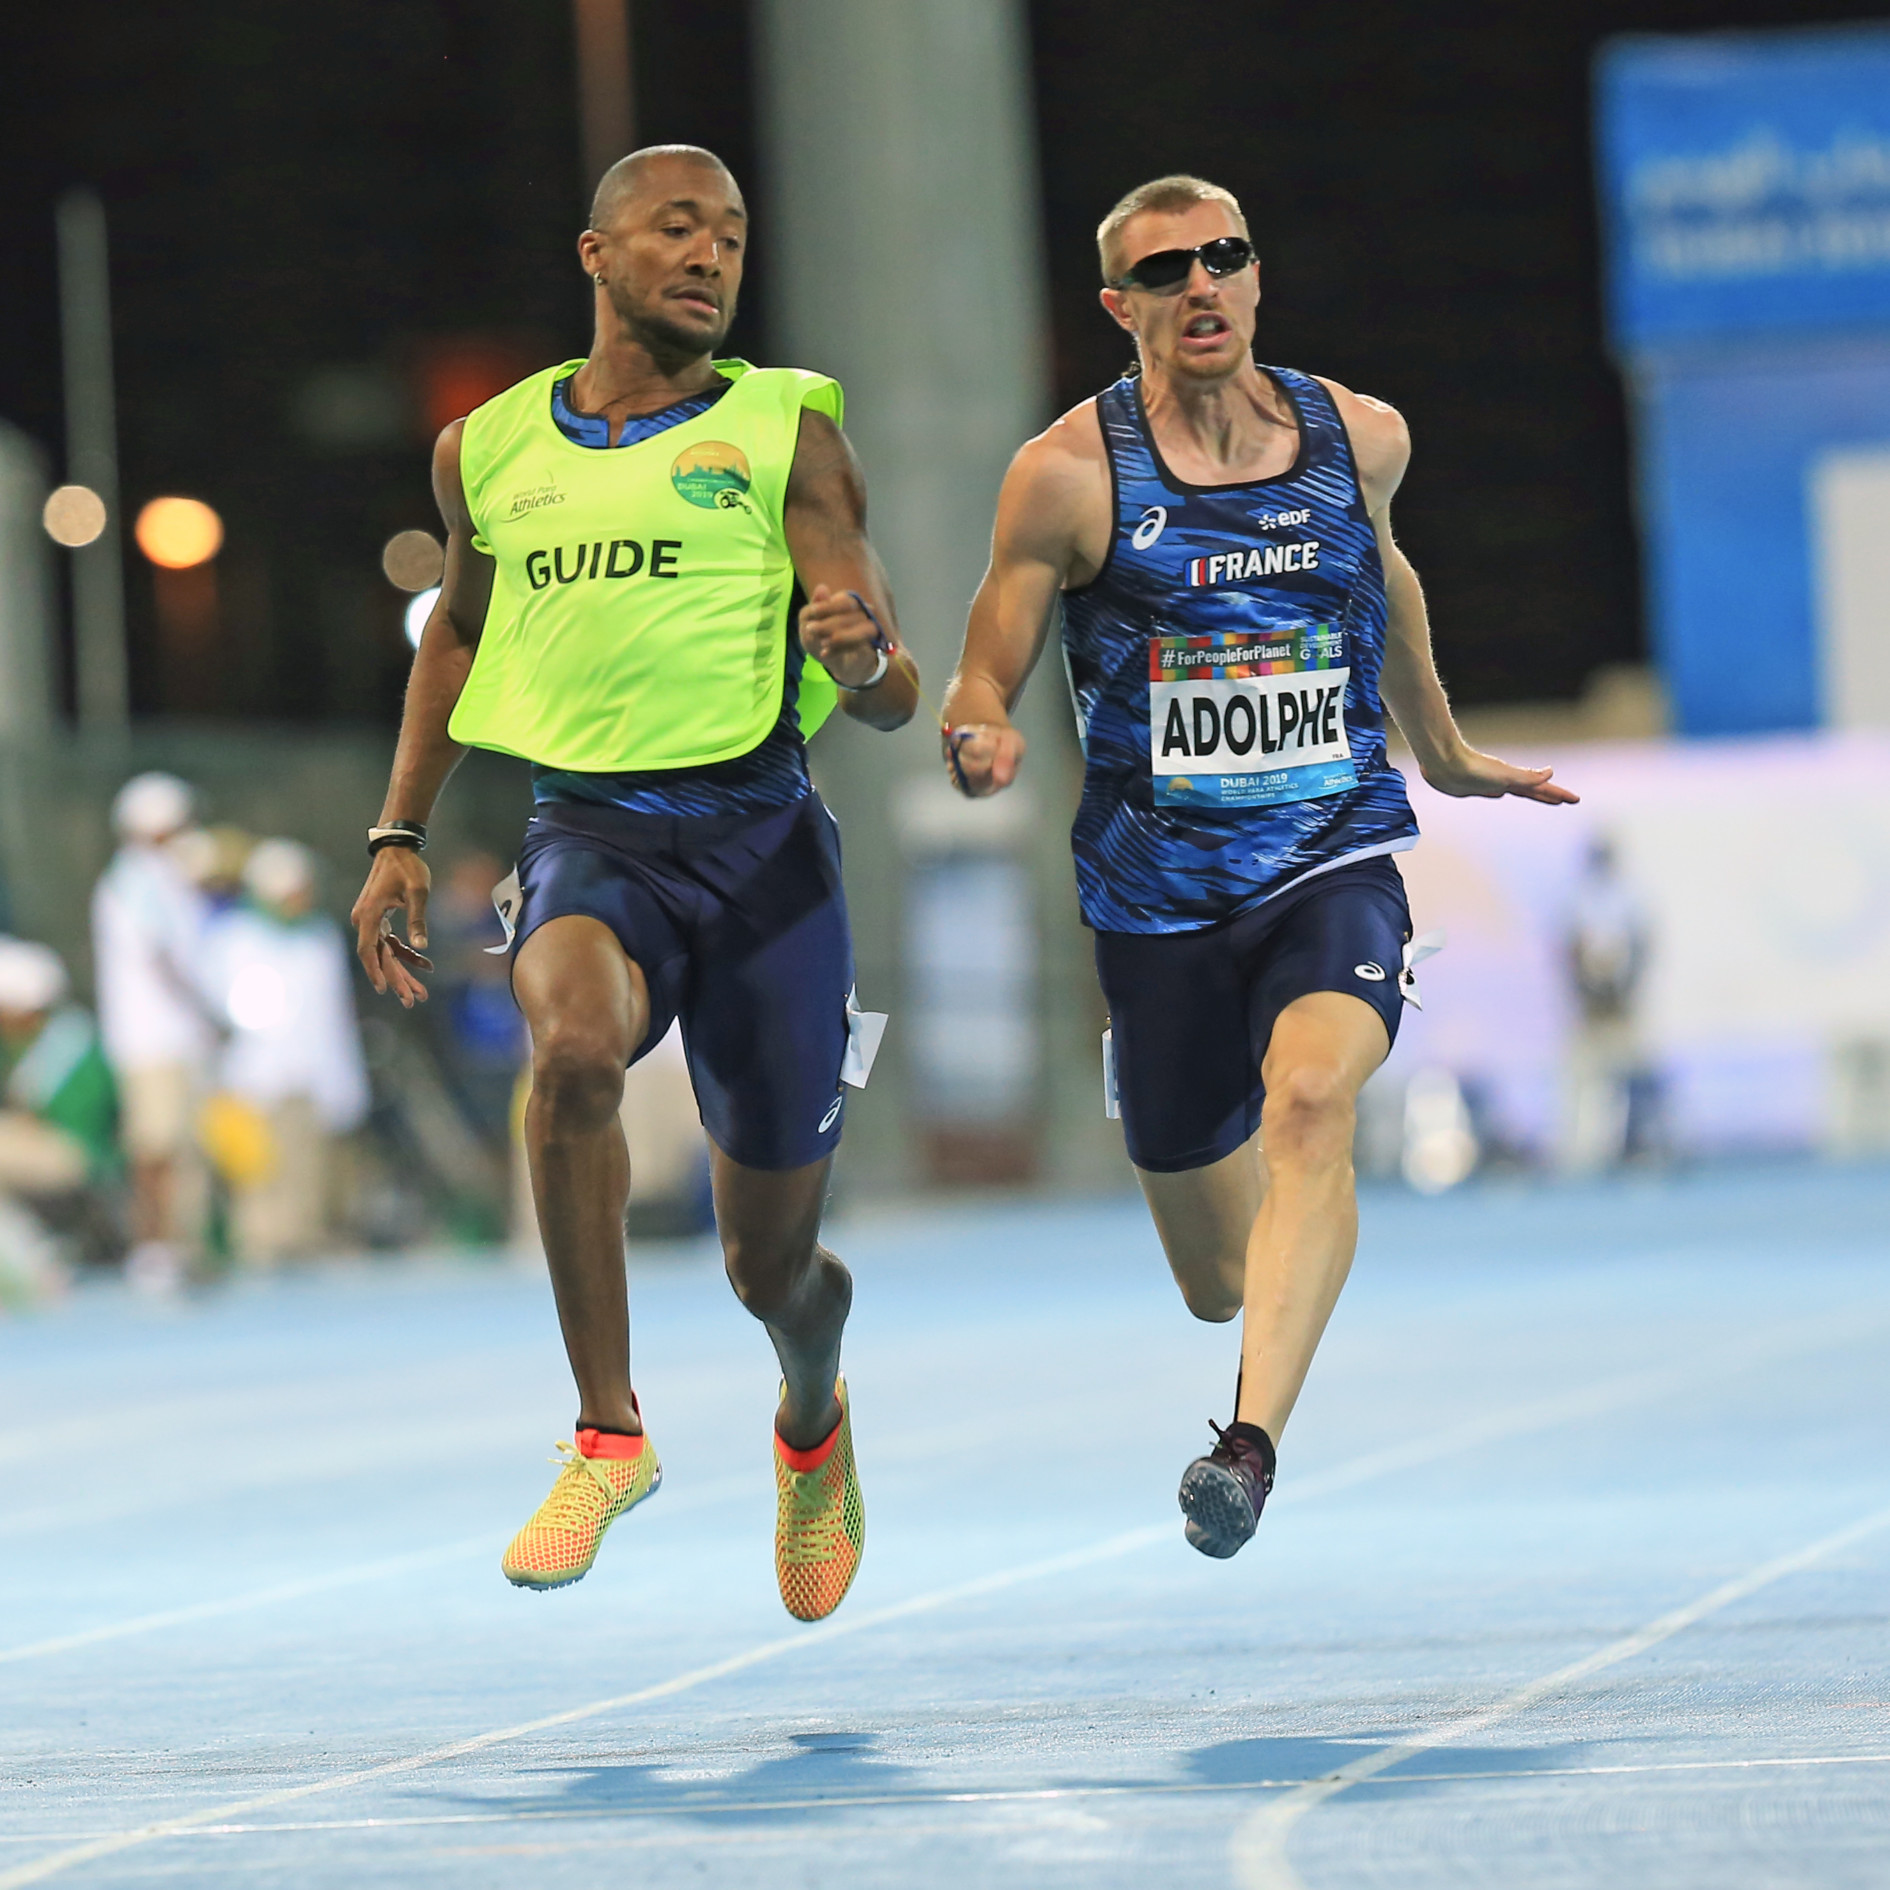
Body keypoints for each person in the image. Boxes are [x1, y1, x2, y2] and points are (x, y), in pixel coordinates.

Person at [942, 174, 1576, 1559]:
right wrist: (978, 719)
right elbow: (995, 640)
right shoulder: (1068, 474)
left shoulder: (1361, 434)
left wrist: (1444, 749)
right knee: (1214, 1277)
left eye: (1221, 257)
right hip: (1155, 901)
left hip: (1329, 859)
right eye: (1164, 271)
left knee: (1308, 1103)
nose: (1199, 286)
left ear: (1254, 273)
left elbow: (1383, 574)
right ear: (1120, 309)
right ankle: (1216, 1221)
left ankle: (1244, 1451)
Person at [350, 144, 917, 1619]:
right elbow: (458, 635)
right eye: (677, 228)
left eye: (730, 234)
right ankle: (608, 1430)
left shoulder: (786, 429)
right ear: (594, 255)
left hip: (764, 855)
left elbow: (881, 678)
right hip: (588, 832)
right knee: (574, 1048)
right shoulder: (485, 447)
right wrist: (397, 834)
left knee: (769, 1266)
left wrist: (866, 663)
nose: (711, 255)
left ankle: (811, 1412)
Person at [202, 839, 370, 1264]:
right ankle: (260, 1251)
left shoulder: (319, 937)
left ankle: (302, 1247)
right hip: (257, 1076)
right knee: (260, 1178)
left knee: (309, 1176)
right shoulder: (234, 938)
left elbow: (332, 1015)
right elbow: (230, 1009)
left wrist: (343, 1076)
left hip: (312, 1073)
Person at [91, 772, 214, 1287]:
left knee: (186, 1149)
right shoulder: (135, 879)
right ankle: (154, 1250)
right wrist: (208, 1010)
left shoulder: (167, 878)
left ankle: (185, 1249)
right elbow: (162, 957)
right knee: (156, 1148)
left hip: (177, 1038)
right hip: (151, 1039)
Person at [0, 936, 120, 1284]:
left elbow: (73, 1122)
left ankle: (30, 1263)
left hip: (80, 1151)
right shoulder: (32, 1042)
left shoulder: (67, 1040)